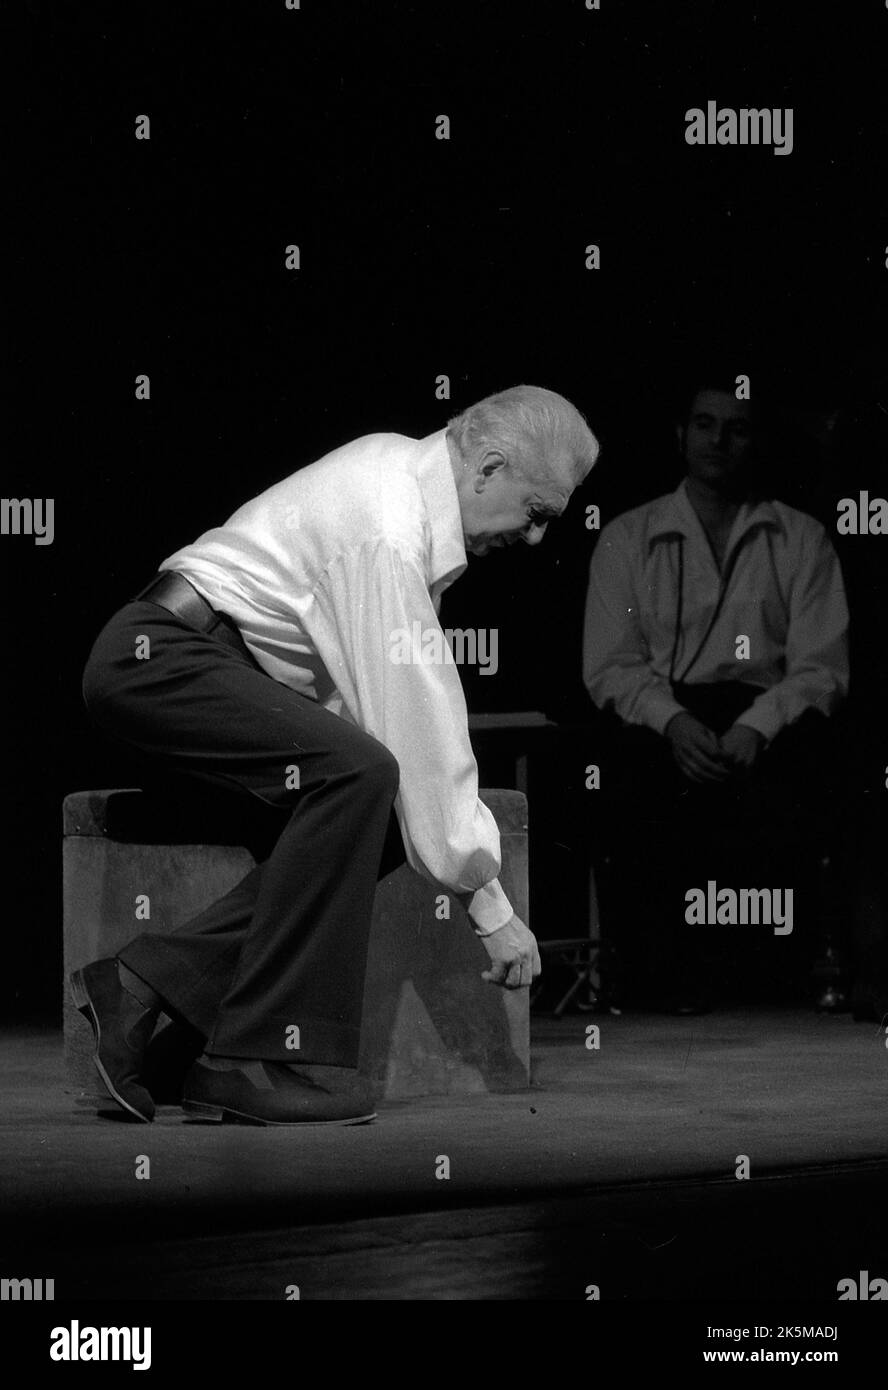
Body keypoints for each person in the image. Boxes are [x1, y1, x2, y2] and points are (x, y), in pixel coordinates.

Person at [74, 385, 600, 1124]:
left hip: (199, 666)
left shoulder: (397, 480)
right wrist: (491, 908)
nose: (537, 537)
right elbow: (416, 722)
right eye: (536, 511)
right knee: (360, 775)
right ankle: (250, 1060)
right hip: (160, 661)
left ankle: (151, 1002)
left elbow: (382, 718)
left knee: (369, 796)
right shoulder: (388, 525)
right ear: (488, 467)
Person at [583, 380, 849, 1011]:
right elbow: (611, 665)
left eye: (737, 428)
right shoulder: (628, 535)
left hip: (765, 715)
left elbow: (821, 666)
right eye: (705, 424)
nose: (718, 441)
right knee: (627, 777)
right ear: (681, 434)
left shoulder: (801, 537)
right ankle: (655, 981)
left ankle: (772, 979)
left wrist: (758, 726)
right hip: (664, 713)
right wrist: (672, 722)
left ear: (757, 440)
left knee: (800, 776)